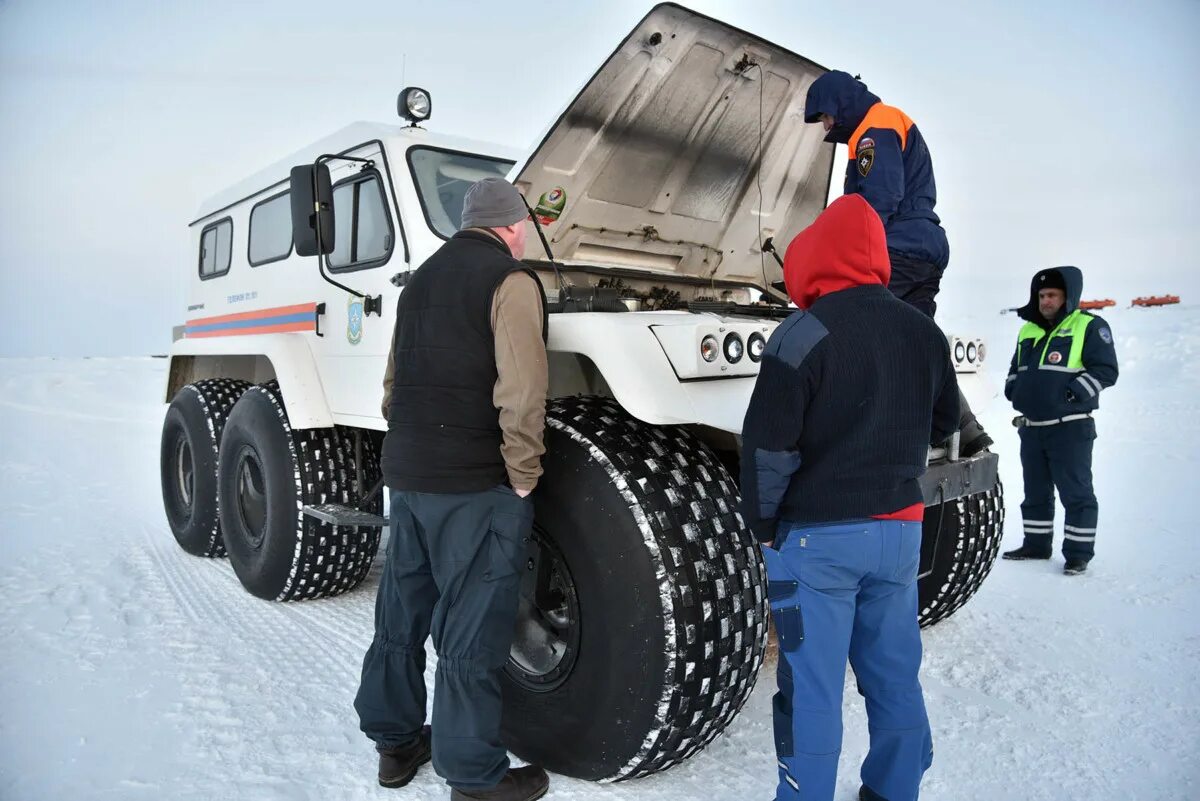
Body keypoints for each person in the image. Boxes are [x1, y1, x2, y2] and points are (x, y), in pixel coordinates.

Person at [740, 194, 958, 801]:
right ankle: (894, 789)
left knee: (812, 686)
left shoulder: (800, 335)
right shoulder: (922, 331)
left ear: (812, 260)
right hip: (899, 533)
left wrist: (763, 523)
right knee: (894, 676)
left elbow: (768, 448)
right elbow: (944, 421)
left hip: (818, 541)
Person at [355, 177, 551, 801]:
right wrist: (522, 474)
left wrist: (415, 447)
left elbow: (393, 385)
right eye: (522, 224)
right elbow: (521, 392)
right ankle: (472, 775)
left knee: (402, 609)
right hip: (472, 480)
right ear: (511, 225)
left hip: (409, 473)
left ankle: (396, 743)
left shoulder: (420, 282)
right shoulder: (510, 282)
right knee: (472, 624)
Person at [803, 70, 991, 456]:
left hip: (898, 249)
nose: (824, 124)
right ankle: (960, 429)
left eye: (823, 115)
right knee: (916, 342)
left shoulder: (875, 128)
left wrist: (841, 252)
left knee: (866, 338)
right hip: (924, 247)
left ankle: (877, 437)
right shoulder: (881, 125)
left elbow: (878, 199)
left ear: (837, 102)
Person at [1001, 266, 1118, 575]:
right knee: (1035, 492)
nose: (1045, 301)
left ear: (1068, 297)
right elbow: (1016, 368)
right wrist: (1013, 389)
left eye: (1052, 295)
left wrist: (1071, 394)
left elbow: (1106, 371)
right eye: (1041, 295)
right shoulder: (1028, 330)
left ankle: (1078, 554)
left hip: (1071, 428)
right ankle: (1036, 545)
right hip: (1032, 428)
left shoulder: (1090, 326)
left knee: (1076, 493)